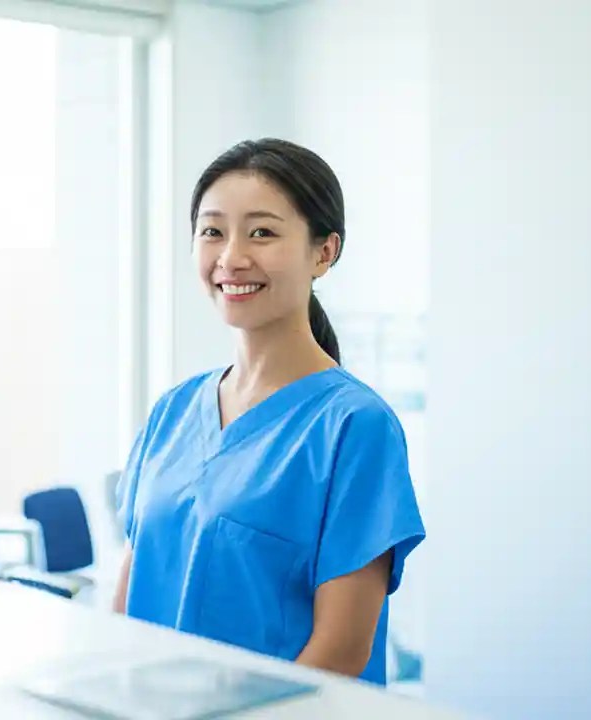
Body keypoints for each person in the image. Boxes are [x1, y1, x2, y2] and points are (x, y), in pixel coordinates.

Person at [113, 138, 425, 685]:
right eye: (212, 231)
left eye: (262, 232)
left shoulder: (355, 428)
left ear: (324, 252)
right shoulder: (173, 412)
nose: (231, 257)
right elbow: (125, 611)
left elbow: (340, 654)